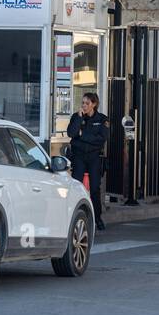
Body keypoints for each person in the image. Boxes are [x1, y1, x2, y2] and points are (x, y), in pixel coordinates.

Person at [67, 92, 109, 231]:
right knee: (76, 186)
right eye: (83, 103)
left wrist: (82, 135)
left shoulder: (102, 119)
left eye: (87, 103)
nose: (84, 106)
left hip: (94, 158)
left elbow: (101, 139)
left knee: (95, 188)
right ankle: (73, 216)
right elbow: (71, 134)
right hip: (78, 156)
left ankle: (97, 218)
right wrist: (79, 119)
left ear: (94, 104)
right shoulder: (76, 116)